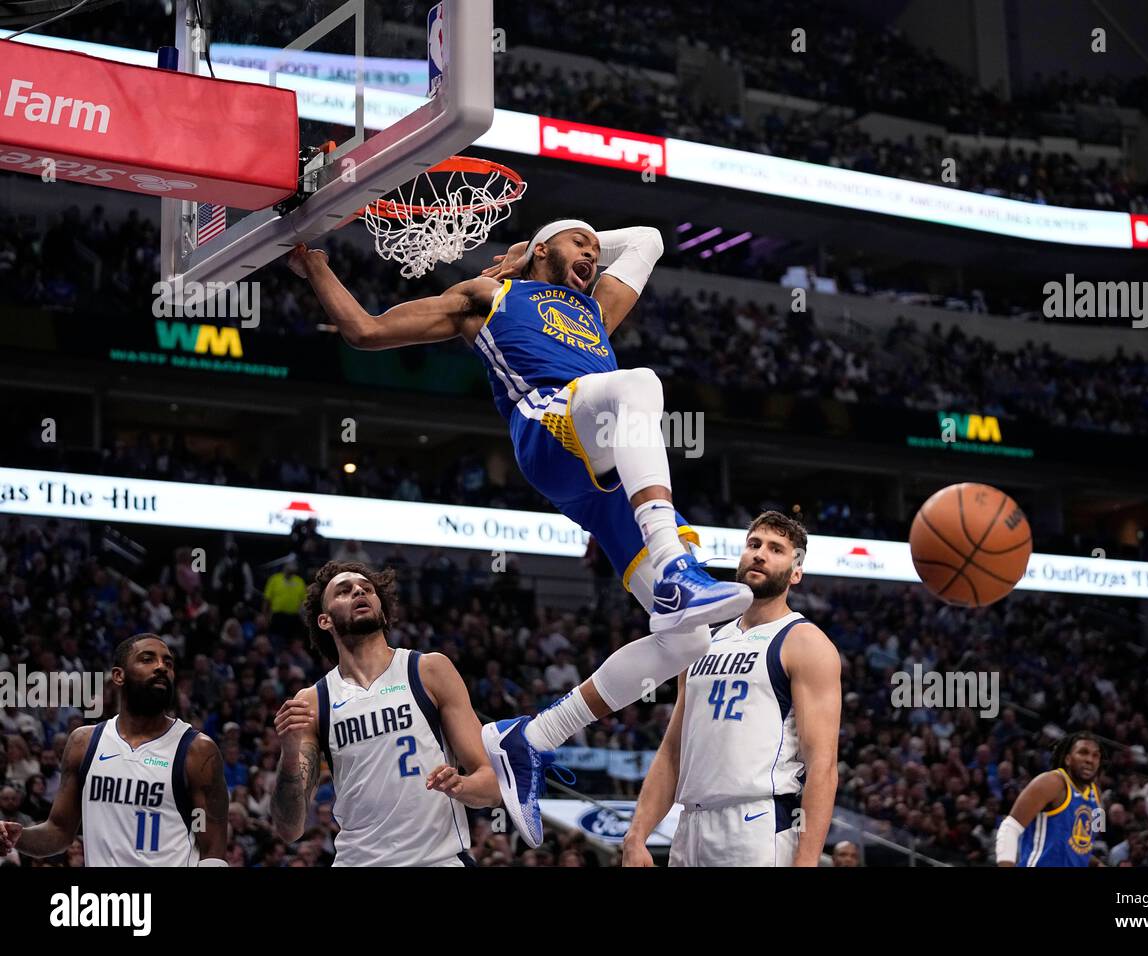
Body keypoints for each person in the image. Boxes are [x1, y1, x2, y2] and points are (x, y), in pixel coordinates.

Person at [288, 219, 753, 846]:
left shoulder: (594, 311)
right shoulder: (489, 298)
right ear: (544, 252)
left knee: (691, 642)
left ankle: (530, 739)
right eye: (578, 242)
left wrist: (549, 243)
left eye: (594, 245)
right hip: (550, 426)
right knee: (641, 383)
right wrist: (315, 266)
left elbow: (647, 238)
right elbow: (365, 331)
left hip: (610, 478)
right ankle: (673, 567)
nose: (592, 250)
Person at [623, 512, 842, 866]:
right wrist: (637, 834)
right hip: (690, 822)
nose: (759, 554)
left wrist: (806, 861)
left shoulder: (805, 642)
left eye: (776, 549)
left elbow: (823, 765)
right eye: (754, 544)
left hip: (756, 823)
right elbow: (672, 750)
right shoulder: (702, 640)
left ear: (796, 571)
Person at [271, 561, 498, 866]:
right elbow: (289, 828)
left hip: (438, 860)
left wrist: (461, 785)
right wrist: (287, 755)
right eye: (344, 590)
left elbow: (491, 785)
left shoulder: (429, 671)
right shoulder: (313, 702)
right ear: (324, 620)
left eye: (367, 588)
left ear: (381, 607)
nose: (358, 590)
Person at [0, 634, 229, 866]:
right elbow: (59, 831)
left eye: (168, 663)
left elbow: (213, 849)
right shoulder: (84, 743)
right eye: (147, 659)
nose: (161, 667)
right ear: (118, 676)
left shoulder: (197, 751)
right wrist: (18, 837)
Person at [996, 732, 1103, 867]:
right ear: (1068, 759)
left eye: (1095, 755)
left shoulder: (1097, 794)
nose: (1090, 759)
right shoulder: (1052, 782)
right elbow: (1009, 827)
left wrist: (1097, 863)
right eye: (1083, 753)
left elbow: (1081, 847)